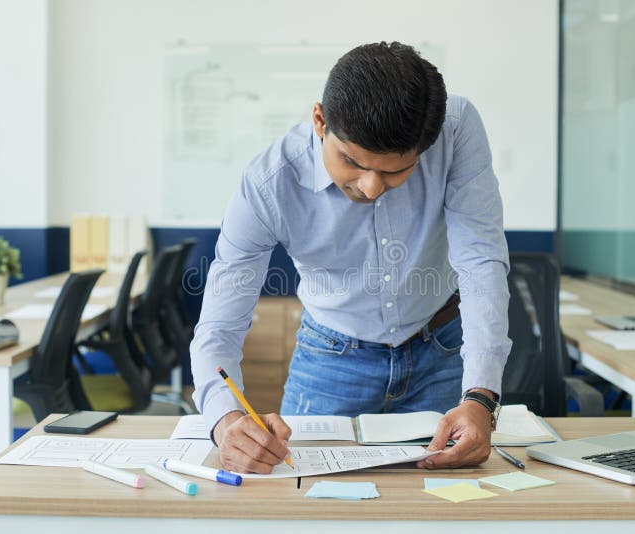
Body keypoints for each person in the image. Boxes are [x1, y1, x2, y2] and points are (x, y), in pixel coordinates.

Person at [190, 41, 511, 474]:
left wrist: (481, 396)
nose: (372, 187)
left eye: (396, 170)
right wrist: (224, 418)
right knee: (300, 497)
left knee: (444, 505)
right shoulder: (268, 184)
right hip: (330, 357)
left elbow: (480, 260)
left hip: (441, 347)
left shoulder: (455, 128)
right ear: (320, 121)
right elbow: (219, 324)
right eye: (353, 162)